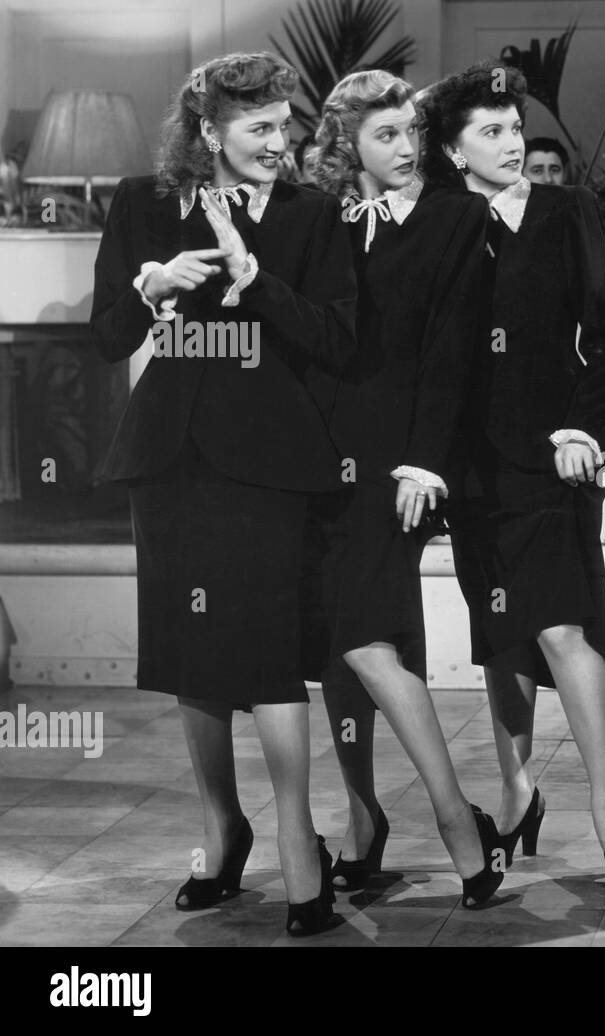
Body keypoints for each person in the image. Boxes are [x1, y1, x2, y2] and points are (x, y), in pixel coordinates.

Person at [90, 52, 357, 936]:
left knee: (273, 656)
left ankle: (299, 848)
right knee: (190, 658)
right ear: (207, 131)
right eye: (259, 128)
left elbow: (337, 339)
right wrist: (150, 286)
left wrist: (254, 279)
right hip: (170, 461)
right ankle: (223, 830)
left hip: (273, 462)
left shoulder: (316, 215)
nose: (281, 144)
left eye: (286, 126)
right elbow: (104, 337)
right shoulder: (140, 204)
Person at [416, 63, 605, 891]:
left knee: (561, 627)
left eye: (514, 128)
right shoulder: (438, 220)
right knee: (503, 632)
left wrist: (584, 427)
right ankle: (516, 791)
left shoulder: (563, 211)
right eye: (490, 132)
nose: (511, 142)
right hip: (471, 468)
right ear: (453, 149)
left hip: (557, 459)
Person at [301, 70, 503, 908]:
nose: (406, 146)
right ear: (346, 144)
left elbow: (453, 348)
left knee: (363, 639)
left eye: (410, 130)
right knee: (341, 647)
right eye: (385, 135)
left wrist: (425, 462)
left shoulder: (458, 217)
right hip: (318, 455)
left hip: (403, 463)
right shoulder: (323, 220)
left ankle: (459, 823)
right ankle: (360, 821)